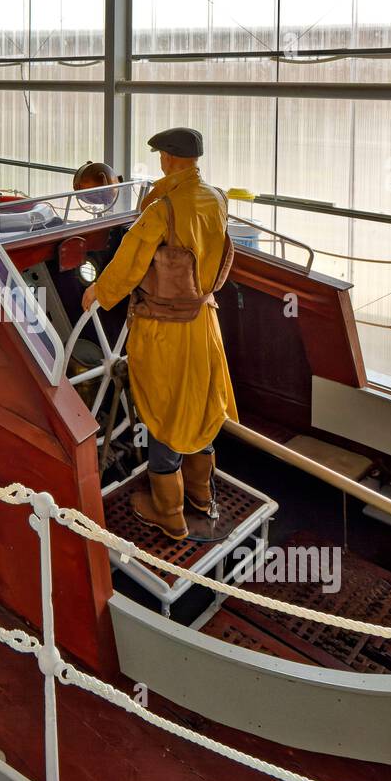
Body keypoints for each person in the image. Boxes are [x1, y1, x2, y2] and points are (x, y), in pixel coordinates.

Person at [81, 127, 237, 540]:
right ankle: (202, 496)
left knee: (164, 411)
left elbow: (130, 262)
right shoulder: (216, 199)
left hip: (165, 328)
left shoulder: (161, 209)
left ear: (168, 158)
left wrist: (99, 292)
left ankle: (169, 512)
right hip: (205, 322)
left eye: (162, 156)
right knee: (201, 405)